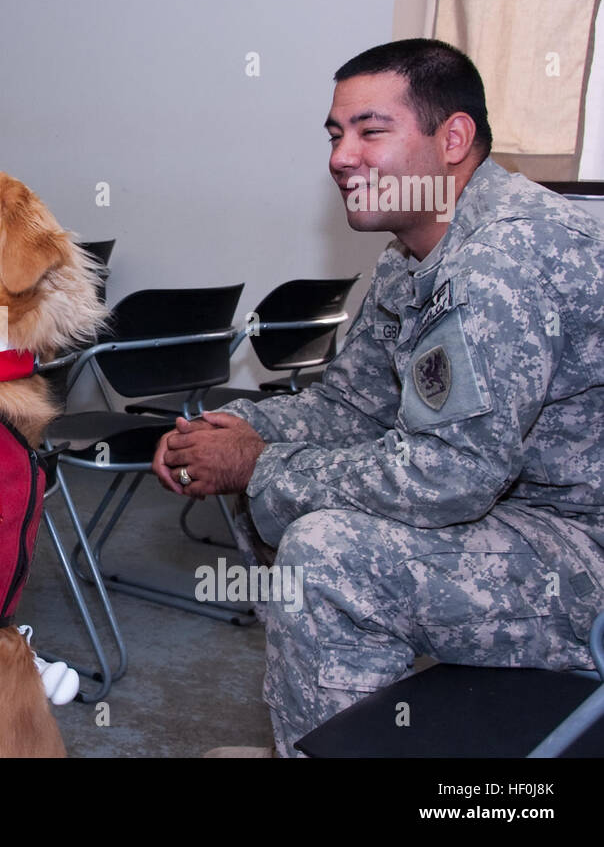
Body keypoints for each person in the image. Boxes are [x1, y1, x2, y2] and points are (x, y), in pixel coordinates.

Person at [152, 38, 604, 757]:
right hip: (516, 515)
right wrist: (232, 424)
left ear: (452, 139)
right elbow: (349, 408)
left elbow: (447, 476)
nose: (341, 156)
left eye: (371, 130)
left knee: (331, 555)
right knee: (301, 495)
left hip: (583, 553)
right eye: (335, 134)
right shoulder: (416, 254)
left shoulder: (500, 259)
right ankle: (324, 742)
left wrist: (257, 465)